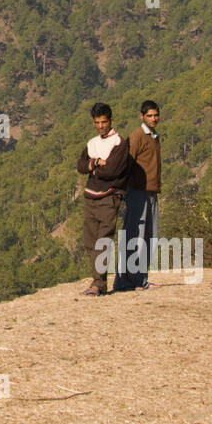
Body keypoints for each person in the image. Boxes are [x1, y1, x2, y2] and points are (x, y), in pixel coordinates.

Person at [77, 103, 131, 296]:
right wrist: (96, 162)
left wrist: (93, 168)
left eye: (104, 122)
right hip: (90, 197)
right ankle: (98, 280)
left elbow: (112, 171)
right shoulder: (92, 143)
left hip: (109, 198)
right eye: (97, 122)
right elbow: (81, 165)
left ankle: (98, 283)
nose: (101, 126)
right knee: (90, 241)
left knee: (103, 241)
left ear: (111, 120)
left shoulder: (119, 143)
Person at [118, 100, 162, 291]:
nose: (153, 119)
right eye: (149, 115)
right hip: (137, 193)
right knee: (134, 236)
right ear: (142, 116)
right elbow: (126, 164)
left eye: (156, 115)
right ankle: (126, 281)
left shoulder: (154, 137)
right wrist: (124, 191)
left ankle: (141, 279)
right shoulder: (137, 137)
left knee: (149, 237)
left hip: (151, 193)